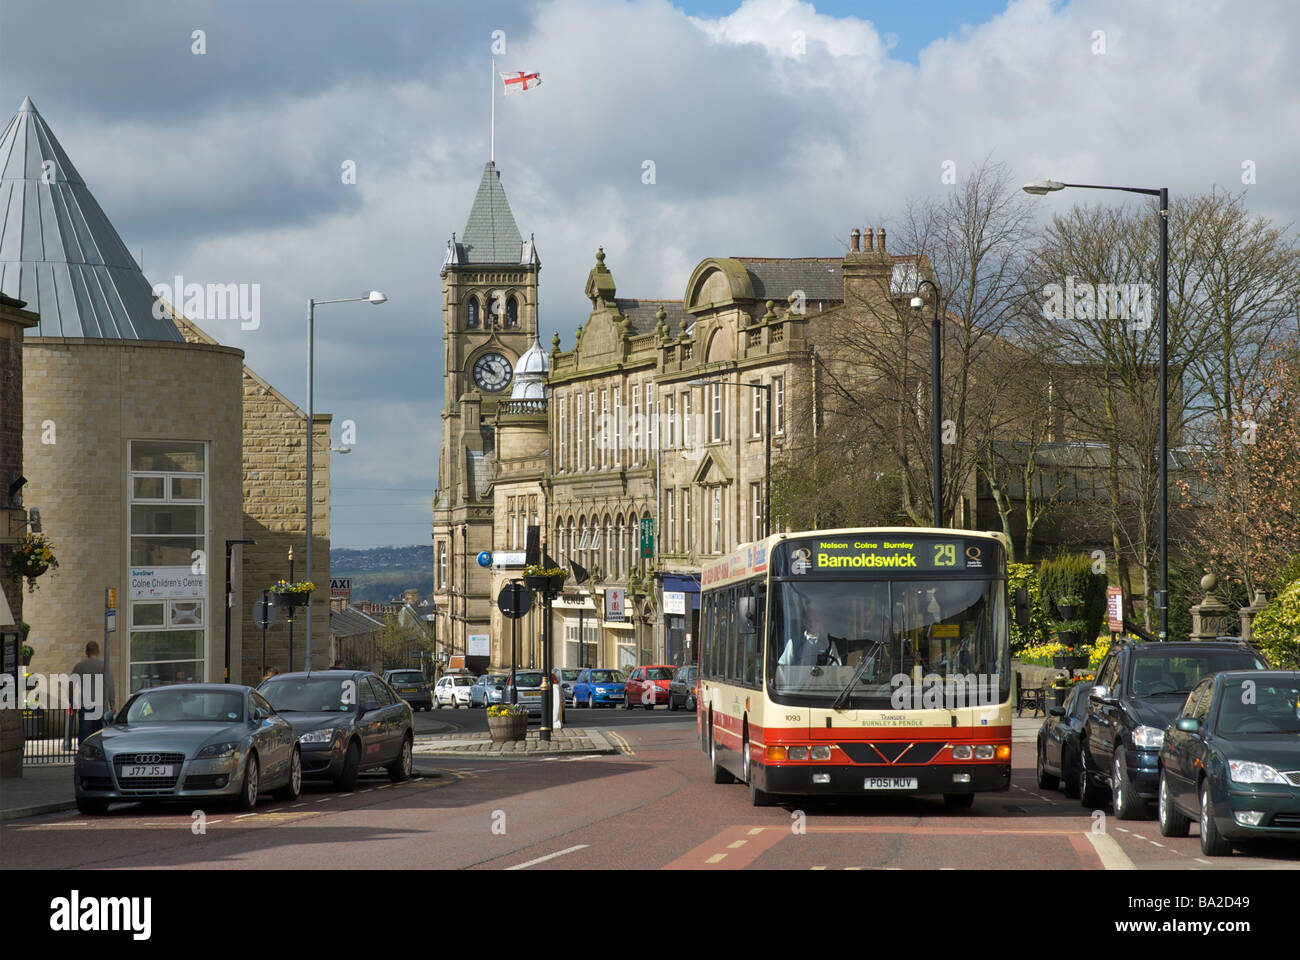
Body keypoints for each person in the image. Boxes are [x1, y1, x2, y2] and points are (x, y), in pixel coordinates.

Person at [71, 641, 115, 744]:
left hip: (85, 705)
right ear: (98, 651)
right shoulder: (104, 665)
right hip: (101, 704)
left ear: (86, 652)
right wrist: (112, 704)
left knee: (85, 736)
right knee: (100, 734)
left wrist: (72, 703)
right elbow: (110, 685)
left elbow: (71, 685)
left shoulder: (79, 666)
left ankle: (85, 754)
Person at [777, 601, 842, 667]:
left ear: (820, 623)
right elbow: (783, 667)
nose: (812, 624)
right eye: (809, 621)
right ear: (804, 622)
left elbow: (836, 668)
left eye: (816, 620)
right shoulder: (793, 643)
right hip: (799, 677)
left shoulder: (828, 643)